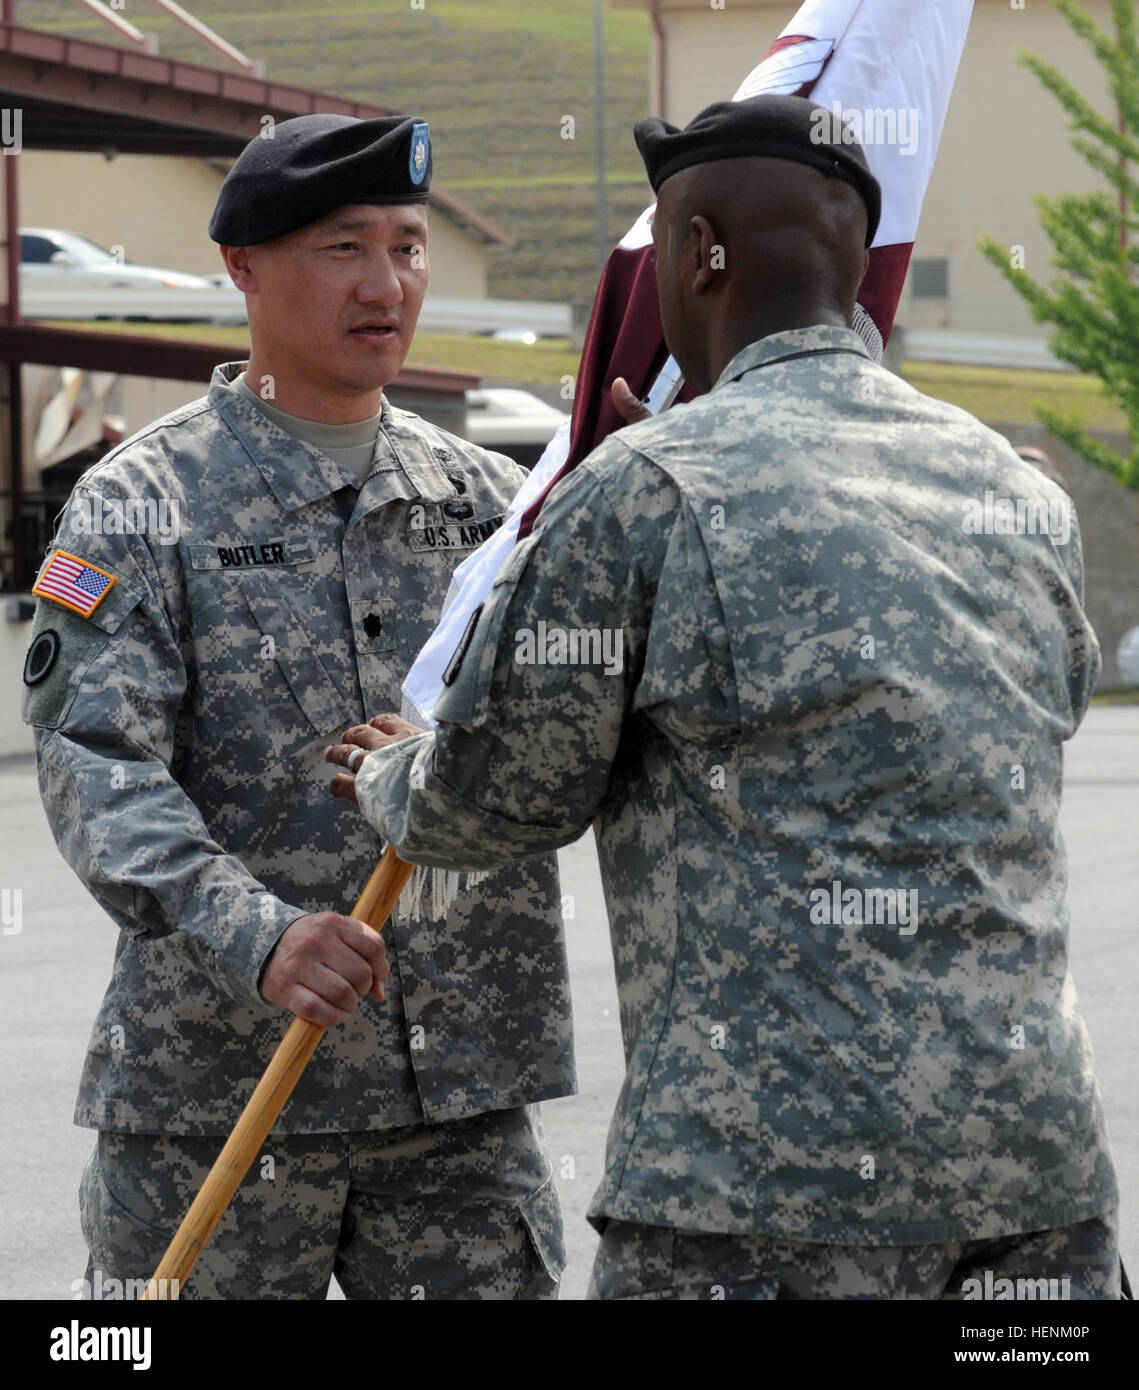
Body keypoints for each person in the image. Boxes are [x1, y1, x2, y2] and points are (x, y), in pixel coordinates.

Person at [328, 95, 1120, 1300]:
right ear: (853, 266)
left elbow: (492, 804)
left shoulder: (644, 490)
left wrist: (396, 770)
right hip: (1033, 1187)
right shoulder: (1013, 493)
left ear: (699, 254)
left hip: (757, 1200)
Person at [22, 113, 574, 1301]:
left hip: (458, 1111)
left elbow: (577, 748)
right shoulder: (139, 504)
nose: (388, 284)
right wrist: (257, 932)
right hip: (212, 1100)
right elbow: (95, 764)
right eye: (343, 248)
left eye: (411, 247)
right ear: (244, 266)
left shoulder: (496, 510)